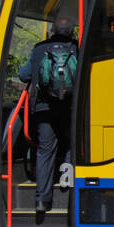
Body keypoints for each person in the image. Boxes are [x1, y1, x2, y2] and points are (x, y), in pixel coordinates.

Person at [18, 16, 78, 213]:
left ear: (52, 31)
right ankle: (67, 178)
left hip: (44, 108)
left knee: (45, 151)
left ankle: (42, 199)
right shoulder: (77, 48)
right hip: (70, 108)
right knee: (71, 143)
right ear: (71, 32)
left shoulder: (39, 49)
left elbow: (24, 75)